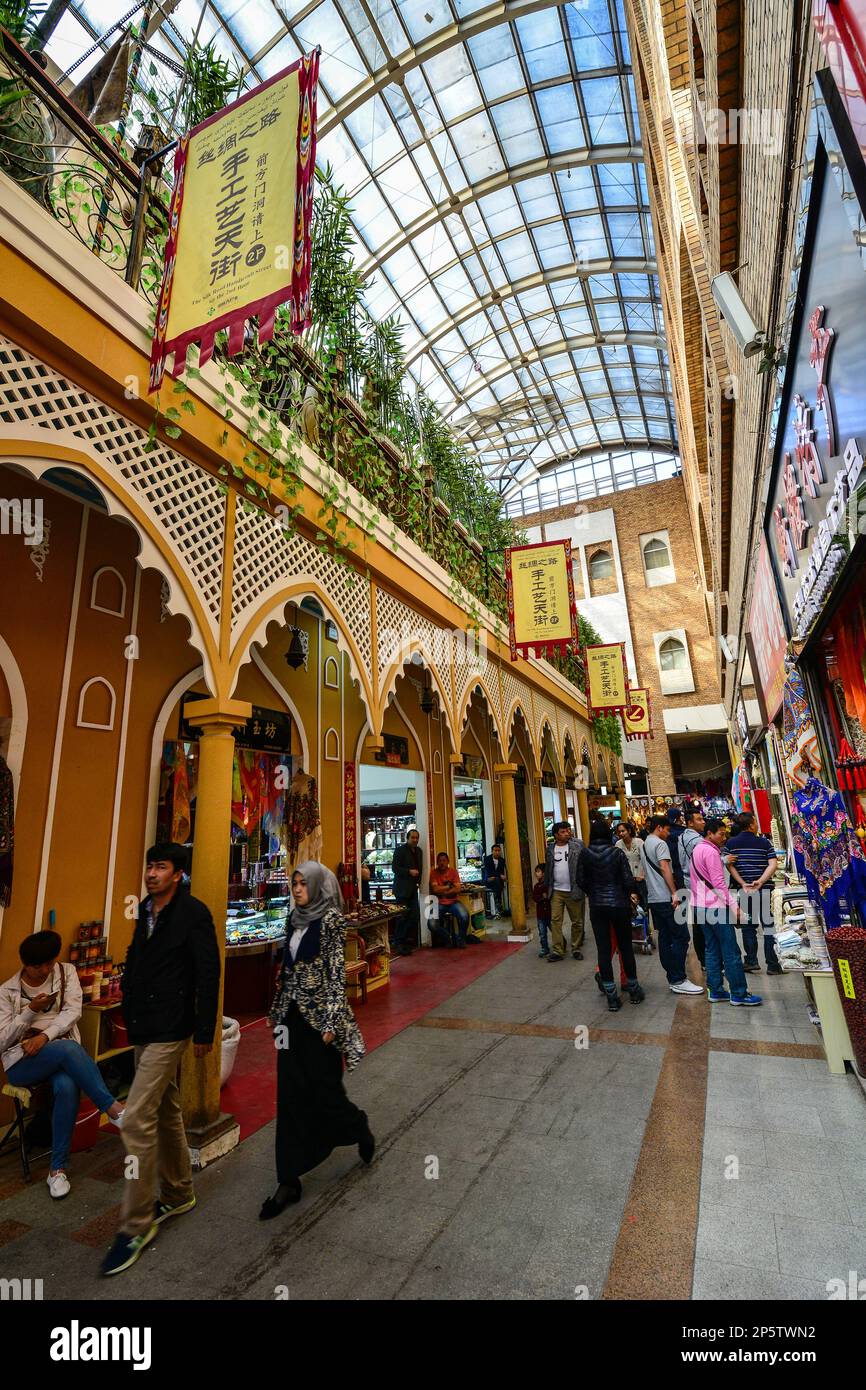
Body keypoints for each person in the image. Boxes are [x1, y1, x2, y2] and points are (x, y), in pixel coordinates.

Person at [100, 843, 220, 1277]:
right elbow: (139, 959)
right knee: (166, 1108)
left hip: (172, 1027)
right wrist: (127, 992)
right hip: (143, 1024)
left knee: (134, 1119)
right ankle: (178, 1191)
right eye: (149, 865)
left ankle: (135, 1225)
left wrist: (204, 1030)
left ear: (178, 874)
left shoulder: (193, 914)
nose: (151, 873)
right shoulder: (147, 910)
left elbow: (209, 973)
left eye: (161, 867)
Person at [261, 862, 373, 1218]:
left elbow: (335, 975)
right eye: (293, 883)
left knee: (324, 1091)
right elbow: (289, 970)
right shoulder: (292, 920)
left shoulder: (331, 922)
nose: (296, 889)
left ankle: (357, 1126)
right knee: (290, 1092)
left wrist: (330, 1023)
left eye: (302, 883)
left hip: (321, 1022)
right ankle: (288, 1179)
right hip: (291, 1019)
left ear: (316, 886)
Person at [0, 930, 125, 1200]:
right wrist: (30, 1011)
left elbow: (73, 1012)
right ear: (27, 964)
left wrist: (45, 1036)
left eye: (49, 963)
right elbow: (2, 1041)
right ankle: (114, 1110)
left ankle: (57, 1170)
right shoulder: (7, 992)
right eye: (39, 966)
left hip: (58, 1055)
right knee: (69, 1048)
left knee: (67, 1085)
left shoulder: (65, 973)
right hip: (21, 1064)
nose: (46, 970)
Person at [691, 820, 763, 1007]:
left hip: (699, 906)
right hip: (715, 907)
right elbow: (719, 884)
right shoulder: (711, 852)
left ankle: (715, 990)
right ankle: (739, 993)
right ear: (709, 833)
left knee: (711, 949)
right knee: (731, 951)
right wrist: (735, 907)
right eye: (721, 834)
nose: (724, 837)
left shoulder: (697, 849)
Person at [578, 820, 645, 1010]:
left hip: (597, 907)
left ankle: (612, 997)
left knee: (603, 951)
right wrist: (628, 893)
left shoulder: (585, 854)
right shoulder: (617, 853)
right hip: (619, 905)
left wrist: (594, 892)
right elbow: (627, 879)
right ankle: (633, 990)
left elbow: (580, 879)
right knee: (625, 947)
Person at [641, 815, 702, 995]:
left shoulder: (645, 844)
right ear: (659, 827)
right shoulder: (660, 844)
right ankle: (678, 978)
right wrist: (674, 892)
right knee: (682, 937)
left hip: (653, 898)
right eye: (667, 829)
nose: (668, 833)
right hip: (666, 898)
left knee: (665, 939)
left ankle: (672, 977)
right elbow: (665, 868)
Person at [724, 812, 781, 974]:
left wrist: (742, 882)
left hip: (745, 891)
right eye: (755, 822)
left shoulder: (731, 844)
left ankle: (751, 961)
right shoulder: (764, 843)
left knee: (748, 927)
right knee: (768, 927)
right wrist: (761, 881)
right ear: (750, 825)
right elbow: (773, 865)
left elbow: (730, 865)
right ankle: (773, 964)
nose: (757, 825)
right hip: (764, 890)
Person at [544, 821, 585, 962]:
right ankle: (557, 950)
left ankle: (576, 947)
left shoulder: (577, 845)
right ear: (555, 835)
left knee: (577, 921)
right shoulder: (550, 849)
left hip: (573, 889)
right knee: (555, 920)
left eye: (567, 830)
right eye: (563, 831)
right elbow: (548, 869)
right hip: (556, 890)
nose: (567, 833)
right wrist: (546, 887)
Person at [678, 804, 706, 969]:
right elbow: (703, 862)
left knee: (697, 922)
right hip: (698, 883)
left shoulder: (681, 837)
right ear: (690, 823)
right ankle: (704, 958)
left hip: (688, 881)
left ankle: (702, 958)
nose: (703, 822)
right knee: (702, 923)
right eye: (699, 819)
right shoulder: (696, 840)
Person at [391, 829, 422, 956]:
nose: (415, 840)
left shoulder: (419, 851)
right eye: (412, 838)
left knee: (414, 916)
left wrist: (419, 881)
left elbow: (420, 867)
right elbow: (395, 868)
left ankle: (403, 940)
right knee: (402, 917)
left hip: (413, 889)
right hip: (402, 889)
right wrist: (409, 871)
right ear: (407, 838)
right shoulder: (400, 850)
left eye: (416, 838)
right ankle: (399, 943)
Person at [429, 851, 470, 947]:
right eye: (439, 861)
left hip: (454, 902)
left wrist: (443, 892)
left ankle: (461, 939)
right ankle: (448, 937)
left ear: (448, 861)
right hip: (438, 903)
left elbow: (458, 888)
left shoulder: (453, 872)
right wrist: (449, 886)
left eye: (444, 860)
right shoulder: (433, 873)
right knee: (431, 924)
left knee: (465, 916)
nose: (442, 863)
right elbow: (435, 889)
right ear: (437, 862)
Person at [616, 821, 645, 908]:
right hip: (626, 881)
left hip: (640, 879)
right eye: (619, 832)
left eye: (623, 831)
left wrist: (643, 875)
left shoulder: (639, 842)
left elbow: (645, 860)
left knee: (643, 906)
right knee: (629, 906)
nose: (621, 833)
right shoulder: (618, 844)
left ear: (629, 831)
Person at [483, 843, 508, 918]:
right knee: (496, 880)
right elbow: (489, 871)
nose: (497, 852)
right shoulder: (487, 859)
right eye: (495, 850)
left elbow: (501, 871)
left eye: (498, 851)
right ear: (492, 851)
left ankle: (498, 903)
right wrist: (500, 875)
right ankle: (498, 903)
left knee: (497, 881)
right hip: (489, 879)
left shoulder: (502, 860)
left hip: (497, 881)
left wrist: (502, 876)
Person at [532, 864, 552, 958]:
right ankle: (545, 948)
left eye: (538, 871)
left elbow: (549, 896)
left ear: (544, 873)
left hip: (549, 913)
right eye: (536, 871)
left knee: (555, 931)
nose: (536, 873)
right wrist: (542, 897)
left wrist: (545, 896)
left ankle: (561, 943)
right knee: (542, 933)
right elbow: (535, 897)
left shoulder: (548, 885)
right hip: (540, 914)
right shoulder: (536, 886)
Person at [666, 806, 686, 892]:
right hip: (687, 866)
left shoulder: (665, 833)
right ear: (679, 818)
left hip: (673, 867)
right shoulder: (685, 831)